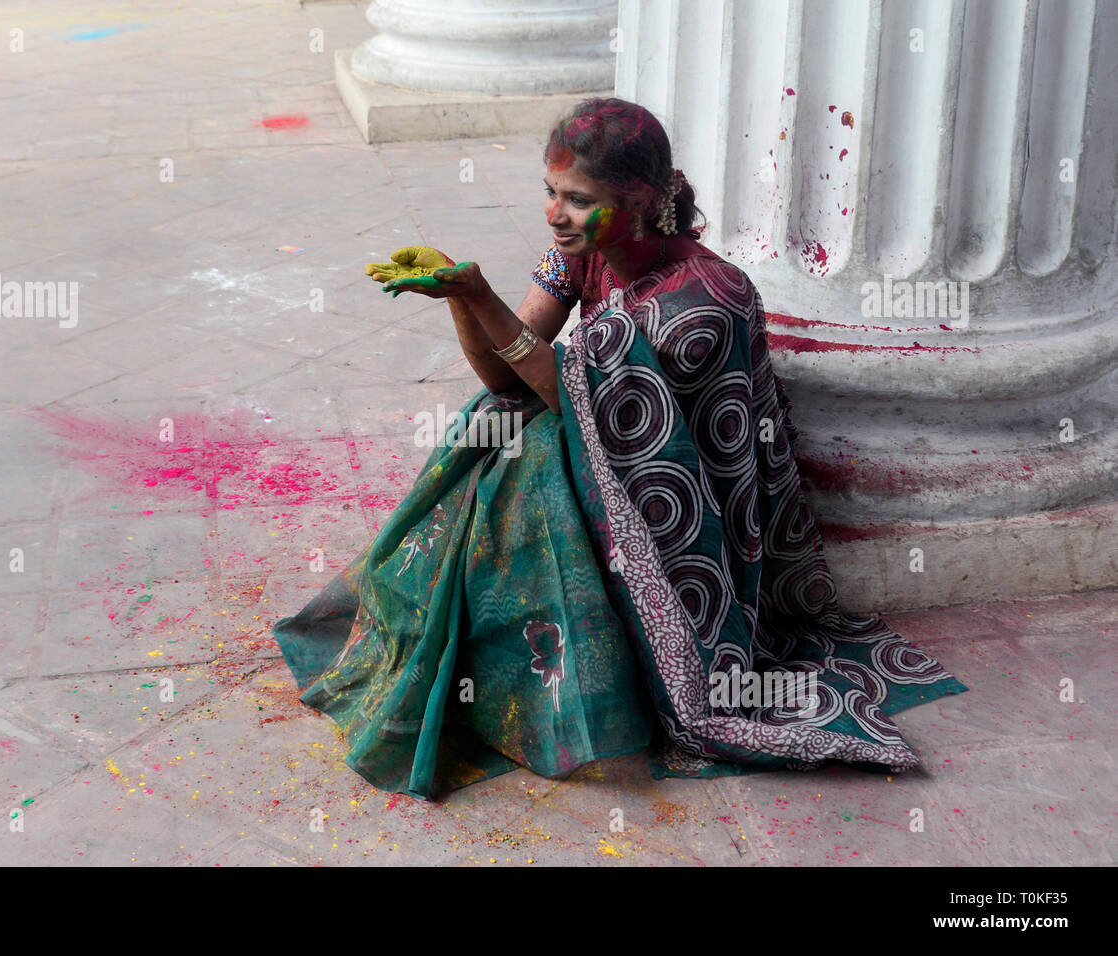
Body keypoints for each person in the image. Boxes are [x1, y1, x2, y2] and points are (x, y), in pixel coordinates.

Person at [271, 97, 966, 800]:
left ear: (638, 201)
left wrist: (481, 296)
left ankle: (538, 672)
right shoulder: (588, 250)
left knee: (516, 467)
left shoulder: (700, 302)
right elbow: (508, 380)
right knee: (492, 430)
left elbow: (574, 405)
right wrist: (460, 294)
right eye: (550, 192)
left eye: (577, 199)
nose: (554, 213)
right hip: (601, 455)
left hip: (673, 523)